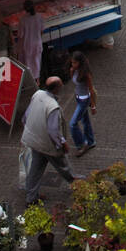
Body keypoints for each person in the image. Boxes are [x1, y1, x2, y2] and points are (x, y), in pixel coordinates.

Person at [23, 77, 79, 206]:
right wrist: (63, 143)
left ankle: (31, 197)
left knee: (35, 169)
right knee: (63, 165)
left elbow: (26, 116)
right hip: (47, 144)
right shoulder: (53, 107)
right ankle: (77, 184)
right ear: (57, 88)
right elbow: (53, 131)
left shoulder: (38, 94)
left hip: (34, 141)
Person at [68, 50, 98, 155]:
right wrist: (72, 71)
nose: (73, 64)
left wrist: (93, 106)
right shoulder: (73, 70)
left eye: (75, 63)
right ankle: (90, 141)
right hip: (78, 98)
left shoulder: (86, 75)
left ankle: (81, 144)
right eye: (72, 62)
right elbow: (75, 82)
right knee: (85, 121)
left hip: (84, 100)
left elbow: (91, 90)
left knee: (72, 124)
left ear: (80, 62)